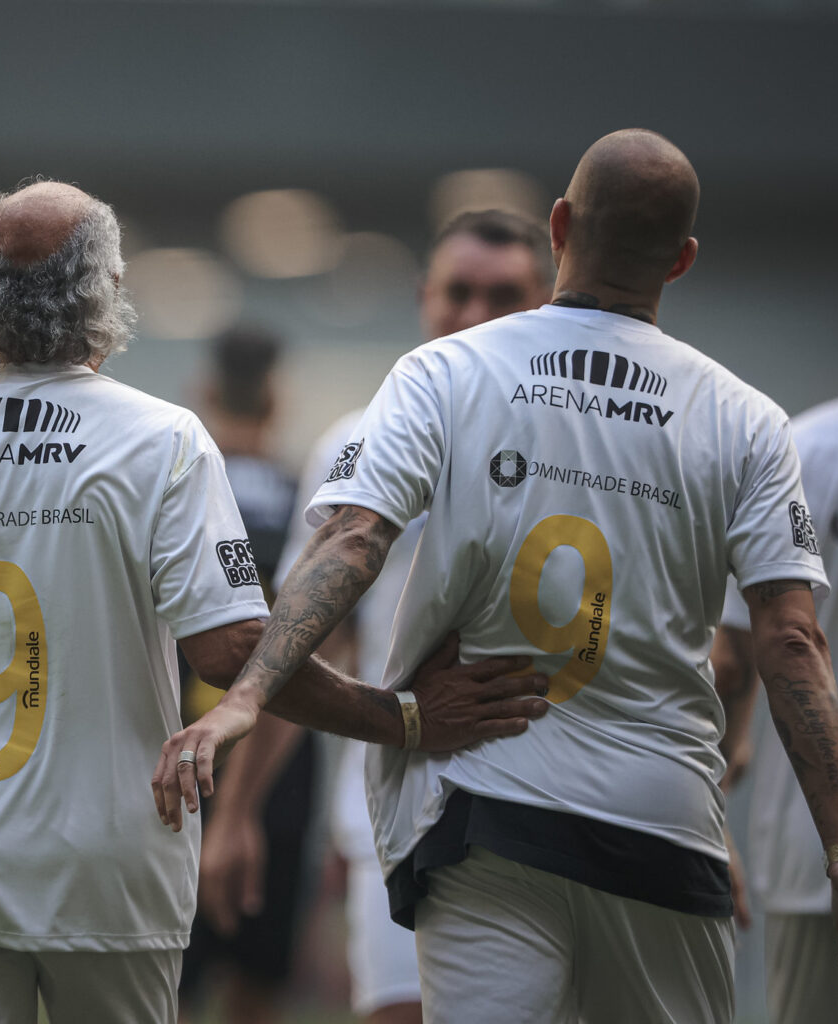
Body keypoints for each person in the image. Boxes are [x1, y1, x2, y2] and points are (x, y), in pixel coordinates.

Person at [0, 180, 550, 1024]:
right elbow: (233, 651)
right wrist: (403, 717)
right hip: (107, 881)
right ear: (104, 293)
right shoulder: (162, 440)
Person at [157, 129, 838, 1024]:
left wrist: (244, 698)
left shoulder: (446, 372)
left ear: (558, 229)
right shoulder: (747, 419)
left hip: (483, 808)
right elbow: (787, 640)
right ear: (682, 260)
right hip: (662, 828)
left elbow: (353, 542)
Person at [201, 209, 553, 1024]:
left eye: (503, 296)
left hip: (553, 806)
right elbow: (307, 637)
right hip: (397, 812)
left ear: (547, 304)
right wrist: (239, 813)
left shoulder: (589, 447)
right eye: (457, 292)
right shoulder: (360, 442)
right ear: (425, 296)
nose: (474, 315)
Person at [178, 327, 313, 1024]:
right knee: (256, 986)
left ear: (203, 391)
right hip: (278, 772)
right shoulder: (308, 500)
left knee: (164, 985)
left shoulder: (176, 490)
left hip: (174, 766)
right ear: (275, 399)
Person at [713, 395, 838, 1024]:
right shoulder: (805, 451)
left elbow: (732, 664)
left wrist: (701, 822)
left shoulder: (807, 449)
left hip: (815, 854)